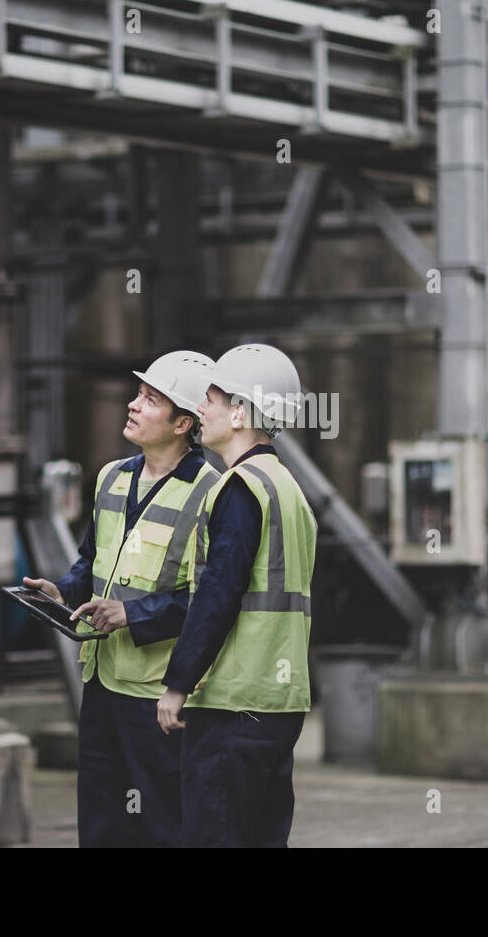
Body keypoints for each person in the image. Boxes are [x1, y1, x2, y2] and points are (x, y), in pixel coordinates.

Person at [22, 350, 219, 847]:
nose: (133, 405)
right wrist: (61, 591)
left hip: (158, 694)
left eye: (151, 400)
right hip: (102, 683)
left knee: (161, 822)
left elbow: (210, 599)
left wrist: (131, 613)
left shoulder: (211, 494)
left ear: (183, 423)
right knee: (102, 816)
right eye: (138, 394)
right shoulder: (111, 477)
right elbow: (92, 561)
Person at [156, 343, 317, 847]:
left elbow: (217, 596)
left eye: (211, 399)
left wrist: (178, 684)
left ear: (241, 411)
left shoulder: (241, 486)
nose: (200, 409)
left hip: (233, 702)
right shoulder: (287, 488)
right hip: (278, 702)